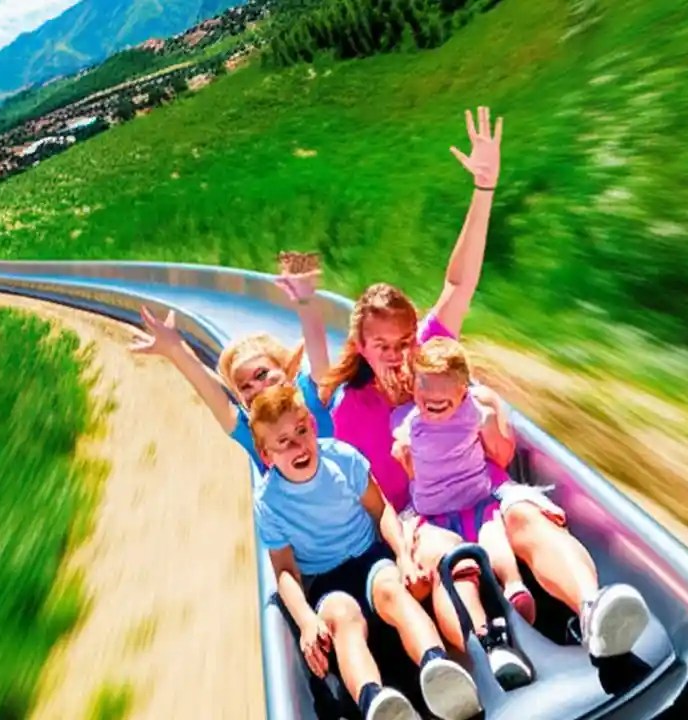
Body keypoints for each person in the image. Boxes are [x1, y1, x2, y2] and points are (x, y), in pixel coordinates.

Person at [321, 106, 651, 659]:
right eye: (383, 347)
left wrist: (484, 188)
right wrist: (404, 547)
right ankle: (485, 655)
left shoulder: (430, 353)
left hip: (486, 489)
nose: (400, 356)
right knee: (455, 564)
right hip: (423, 514)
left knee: (528, 520)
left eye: (405, 341)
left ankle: (594, 608)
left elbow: (459, 279)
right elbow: (376, 497)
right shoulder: (350, 410)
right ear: (360, 348)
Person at [249, 385, 483, 720]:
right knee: (343, 617)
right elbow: (285, 569)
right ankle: (376, 701)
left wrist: (402, 554)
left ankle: (437, 667)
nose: (298, 446)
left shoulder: (341, 459)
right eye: (283, 442)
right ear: (266, 455)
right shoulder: (270, 501)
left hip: (368, 557)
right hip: (326, 578)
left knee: (392, 590)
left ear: (312, 426)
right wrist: (305, 621)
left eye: (301, 431)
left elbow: (381, 510)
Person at [128, 253, 333, 474]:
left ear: (286, 371)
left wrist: (306, 299)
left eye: (262, 374)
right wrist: (174, 349)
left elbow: (318, 354)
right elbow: (211, 391)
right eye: (245, 387)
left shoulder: (310, 394)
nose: (256, 387)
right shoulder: (250, 430)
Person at [391, 337, 538, 628]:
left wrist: (491, 425)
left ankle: (514, 588)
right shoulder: (412, 424)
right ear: (413, 387)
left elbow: (500, 451)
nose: (432, 399)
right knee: (456, 563)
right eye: (424, 388)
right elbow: (408, 463)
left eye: (442, 392)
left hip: (477, 501)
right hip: (433, 515)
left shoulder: (474, 412)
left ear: (462, 391)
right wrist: (404, 453)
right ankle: (481, 633)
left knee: (493, 538)